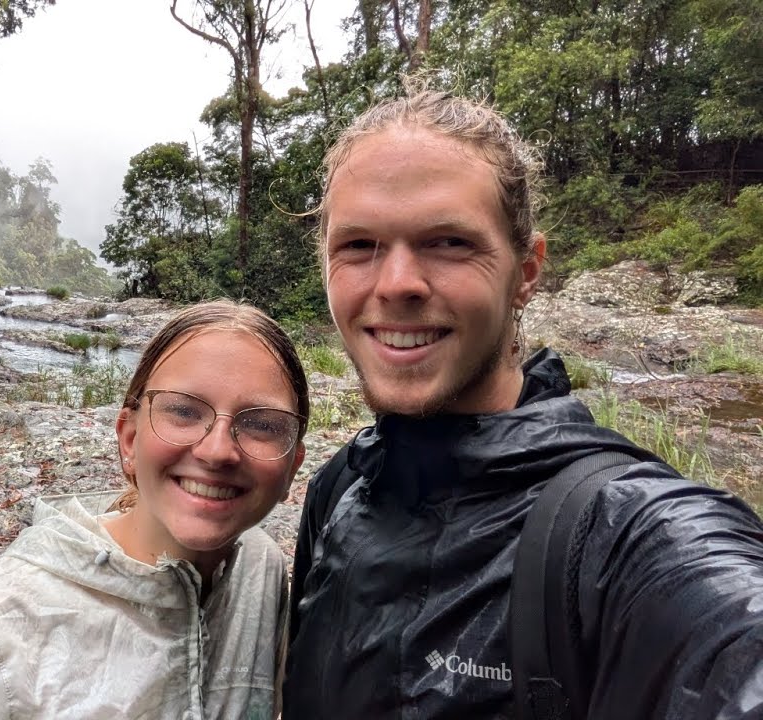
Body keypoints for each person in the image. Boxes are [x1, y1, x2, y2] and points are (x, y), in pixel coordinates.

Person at [283, 87, 763, 719]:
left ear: (527, 271)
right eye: (357, 246)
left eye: (449, 242)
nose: (396, 283)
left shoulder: (626, 534)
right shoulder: (340, 489)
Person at [0, 299, 309, 719]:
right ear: (129, 440)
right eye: (183, 411)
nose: (217, 451)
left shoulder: (260, 571)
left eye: (262, 425)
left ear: (292, 466)